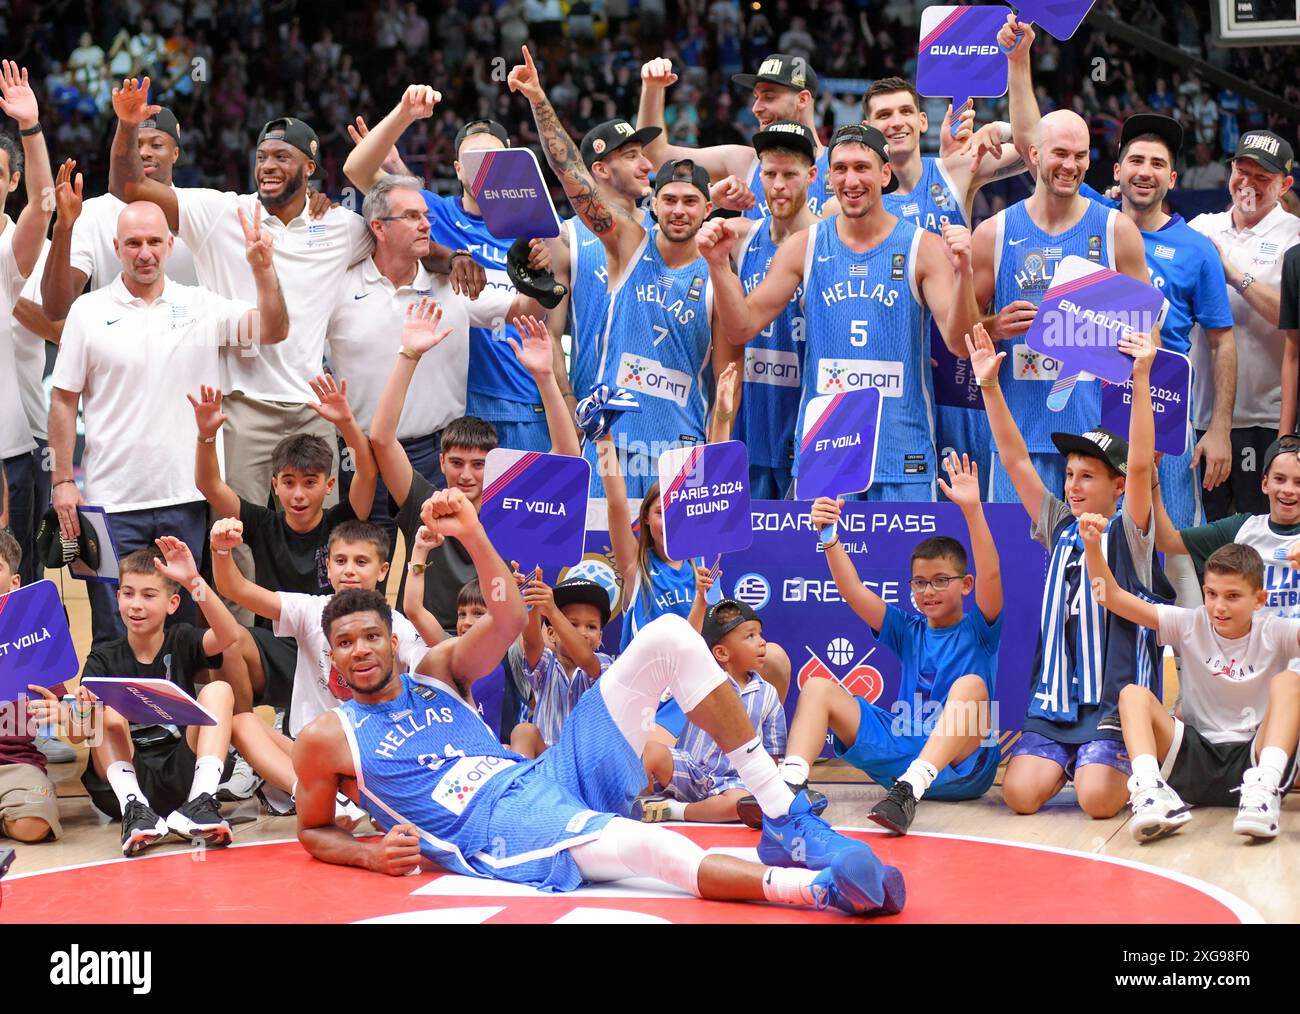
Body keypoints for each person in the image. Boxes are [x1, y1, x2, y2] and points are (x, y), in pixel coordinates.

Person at [293, 489, 903, 916]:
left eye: (372, 636)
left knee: (667, 635)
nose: (360, 650)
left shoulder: (435, 671)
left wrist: (472, 532)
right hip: (497, 828)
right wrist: (369, 858)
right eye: (345, 643)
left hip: (543, 774)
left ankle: (782, 816)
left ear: (393, 643)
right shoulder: (329, 736)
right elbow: (313, 829)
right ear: (334, 659)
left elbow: (508, 616)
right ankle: (815, 889)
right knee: (648, 848)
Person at [107, 77, 482, 514]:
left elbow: (400, 239)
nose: (267, 164)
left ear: (309, 168)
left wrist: (453, 257)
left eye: (282, 157)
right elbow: (128, 188)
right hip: (243, 407)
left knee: (324, 536)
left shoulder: (340, 227)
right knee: (238, 534)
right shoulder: (220, 212)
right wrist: (127, 128)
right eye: (262, 156)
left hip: (313, 409)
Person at [1011, 79, 1238, 601]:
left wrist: (1220, 425)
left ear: (1172, 177)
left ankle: (1183, 674)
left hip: (1162, 404)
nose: (1145, 171)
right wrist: (1019, 62)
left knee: (1174, 540)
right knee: (1100, 539)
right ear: (1115, 171)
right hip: (1097, 401)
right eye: (1136, 160)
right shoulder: (1094, 216)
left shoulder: (1196, 250)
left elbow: (1223, 341)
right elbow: (1032, 144)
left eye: (1158, 164)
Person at [699, 122, 980, 502]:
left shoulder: (922, 247)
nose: (851, 179)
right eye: (842, 169)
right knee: (818, 562)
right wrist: (718, 266)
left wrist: (963, 274)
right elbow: (741, 327)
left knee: (906, 564)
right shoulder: (804, 246)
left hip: (902, 453)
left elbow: (960, 345)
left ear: (884, 173)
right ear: (828, 178)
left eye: (862, 167)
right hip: (826, 452)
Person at [48, 199, 287, 645]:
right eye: (134, 243)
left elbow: (272, 329)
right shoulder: (88, 311)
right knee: (112, 627)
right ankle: (119, 716)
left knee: (180, 632)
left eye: (155, 241)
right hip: (108, 499)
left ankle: (172, 716)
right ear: (116, 247)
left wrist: (264, 270)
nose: (145, 252)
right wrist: (63, 479)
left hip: (187, 497)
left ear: (170, 245)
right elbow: (63, 400)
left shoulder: (200, 305)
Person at [509, 46, 743, 498]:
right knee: (597, 568)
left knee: (679, 572)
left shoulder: (719, 272)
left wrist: (716, 470)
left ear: (708, 207)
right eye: (668, 200)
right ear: (652, 205)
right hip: (610, 449)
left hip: (682, 456)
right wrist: (538, 98)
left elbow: (725, 391)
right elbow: (570, 174)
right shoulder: (626, 247)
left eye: (690, 201)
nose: (677, 211)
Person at [968, 321, 1172, 817]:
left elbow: (1143, 464)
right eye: (1069, 476)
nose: (1074, 486)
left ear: (1118, 486)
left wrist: (1141, 377)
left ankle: (1108, 761)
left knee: (1098, 803)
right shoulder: (1057, 525)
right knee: (1018, 796)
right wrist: (991, 386)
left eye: (1088, 476)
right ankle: (1073, 757)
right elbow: (1016, 460)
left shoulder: (1131, 531)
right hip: (1054, 701)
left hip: (1110, 703)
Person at [747, 453, 1003, 835]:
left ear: (965, 585)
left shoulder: (980, 630)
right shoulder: (906, 628)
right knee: (818, 687)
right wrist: (828, 536)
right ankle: (788, 788)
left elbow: (993, 572)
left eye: (940, 580)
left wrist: (972, 510)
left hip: (961, 767)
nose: (928, 590)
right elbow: (852, 592)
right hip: (902, 748)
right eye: (919, 582)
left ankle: (910, 790)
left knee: (972, 687)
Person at [328, 173, 551, 541]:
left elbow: (523, 311)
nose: (426, 225)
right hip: (361, 456)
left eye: (426, 216)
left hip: (436, 455)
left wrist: (537, 278)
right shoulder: (338, 286)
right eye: (413, 217)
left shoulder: (453, 283)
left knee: (435, 569)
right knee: (365, 569)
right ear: (379, 228)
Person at [343, 87, 557, 453]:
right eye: (472, 159)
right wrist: (402, 121)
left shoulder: (534, 228)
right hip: (460, 399)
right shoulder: (433, 213)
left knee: (521, 508)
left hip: (524, 396)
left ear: (511, 165)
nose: (483, 166)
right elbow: (359, 171)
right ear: (457, 169)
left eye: (493, 157)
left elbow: (545, 315)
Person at [970, 103, 1151, 503]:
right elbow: (960, 330)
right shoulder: (994, 233)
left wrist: (1123, 341)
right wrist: (993, 326)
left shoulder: (1115, 230)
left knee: (1090, 564)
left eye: (1081, 155)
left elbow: (1147, 334)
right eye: (1061, 154)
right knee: (1018, 564)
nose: (1072, 165)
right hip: (1016, 441)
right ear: (1034, 155)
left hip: (1095, 448)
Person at [370, 303, 578, 638]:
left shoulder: (513, 504)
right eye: (456, 463)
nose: (466, 475)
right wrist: (408, 355)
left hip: (497, 643)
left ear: (493, 463)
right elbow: (381, 439)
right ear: (441, 463)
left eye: (479, 465)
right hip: (426, 642)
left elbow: (567, 456)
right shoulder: (424, 500)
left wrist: (544, 376)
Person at [1080, 531, 1300, 842]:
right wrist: (1091, 545)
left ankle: (1265, 793)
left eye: (1232, 596)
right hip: (1192, 758)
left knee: (1290, 681)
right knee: (1132, 695)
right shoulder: (1189, 623)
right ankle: (1151, 792)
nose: (1219, 606)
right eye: (1211, 594)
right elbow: (1108, 597)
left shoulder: (1275, 632)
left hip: (1254, 756)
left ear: (1259, 599)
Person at [190, 375, 376, 712]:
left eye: (310, 482)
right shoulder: (262, 523)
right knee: (230, 639)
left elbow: (367, 473)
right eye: (289, 483)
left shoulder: (341, 523)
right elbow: (209, 484)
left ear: (329, 483)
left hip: (331, 645)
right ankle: (243, 738)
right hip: (274, 648)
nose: (299, 494)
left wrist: (346, 422)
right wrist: (206, 435)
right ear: (274, 485)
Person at [74, 542, 262, 856]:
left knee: (219, 690)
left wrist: (194, 583)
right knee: (103, 710)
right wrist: (78, 713)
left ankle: (200, 802)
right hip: (126, 781)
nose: (136, 604)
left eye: (149, 595)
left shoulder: (182, 638)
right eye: (128, 593)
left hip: (182, 774)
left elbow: (229, 634)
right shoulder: (103, 658)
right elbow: (80, 733)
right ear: (118, 596)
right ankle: (136, 811)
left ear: (173, 603)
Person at [1186, 131, 1299, 517]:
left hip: (1266, 419)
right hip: (1202, 415)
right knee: (1204, 541)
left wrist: (1234, 274)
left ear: (1285, 185)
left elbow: (1292, 314)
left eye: (1261, 178)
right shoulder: (1202, 228)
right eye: (1241, 171)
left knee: (1258, 545)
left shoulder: (1294, 236)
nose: (1247, 184)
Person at [718, 121, 818, 498]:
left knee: (800, 551)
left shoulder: (830, 240)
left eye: (790, 174)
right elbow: (670, 235)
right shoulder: (739, 237)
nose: (778, 185)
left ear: (810, 176)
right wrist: (712, 197)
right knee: (743, 552)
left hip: (806, 422)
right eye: (770, 173)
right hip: (750, 419)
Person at [40, 108, 198, 319]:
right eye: (135, 145)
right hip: (112, 345)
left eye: (157, 144)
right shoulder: (94, 213)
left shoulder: (198, 210)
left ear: (175, 153)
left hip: (184, 345)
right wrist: (62, 227)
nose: (144, 153)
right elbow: (55, 309)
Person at [637, 599, 786, 823]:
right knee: (651, 751)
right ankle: (619, 804)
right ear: (722, 653)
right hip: (689, 769)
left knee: (742, 804)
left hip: (733, 783)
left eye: (760, 634)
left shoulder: (769, 695)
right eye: (750, 636)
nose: (762, 642)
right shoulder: (702, 680)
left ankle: (672, 810)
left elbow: (771, 754)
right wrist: (700, 599)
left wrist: (765, 791)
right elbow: (686, 646)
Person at [637, 53, 835, 218]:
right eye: (756, 98)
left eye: (769, 97)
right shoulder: (744, 162)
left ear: (802, 99)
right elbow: (655, 155)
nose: (755, 108)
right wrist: (652, 88)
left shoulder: (840, 166)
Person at [0, 61, 54, 593]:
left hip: (13, 448)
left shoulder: (9, 255)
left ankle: (22, 680)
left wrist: (30, 130)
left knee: (18, 585)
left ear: (10, 181)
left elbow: (43, 207)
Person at [1153, 433, 1300, 622]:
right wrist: (1151, 482)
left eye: (1298, 482)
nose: (1288, 490)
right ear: (1265, 484)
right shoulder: (1241, 527)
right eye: (1279, 479)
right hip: (1249, 648)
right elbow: (1165, 541)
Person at [0, 531, 68, 844]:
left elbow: (84, 728)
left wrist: (66, 714)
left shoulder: (32, 646)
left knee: (35, 823)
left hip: (15, 766)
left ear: (14, 582)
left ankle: (20, 808)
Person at [511, 575, 614, 755]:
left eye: (591, 627)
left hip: (585, 766)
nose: (583, 633)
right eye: (572, 624)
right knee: (523, 731)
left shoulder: (605, 663)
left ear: (600, 638)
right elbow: (532, 642)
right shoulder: (545, 666)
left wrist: (551, 610)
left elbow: (586, 659)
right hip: (545, 766)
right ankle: (521, 782)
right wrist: (528, 595)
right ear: (551, 633)